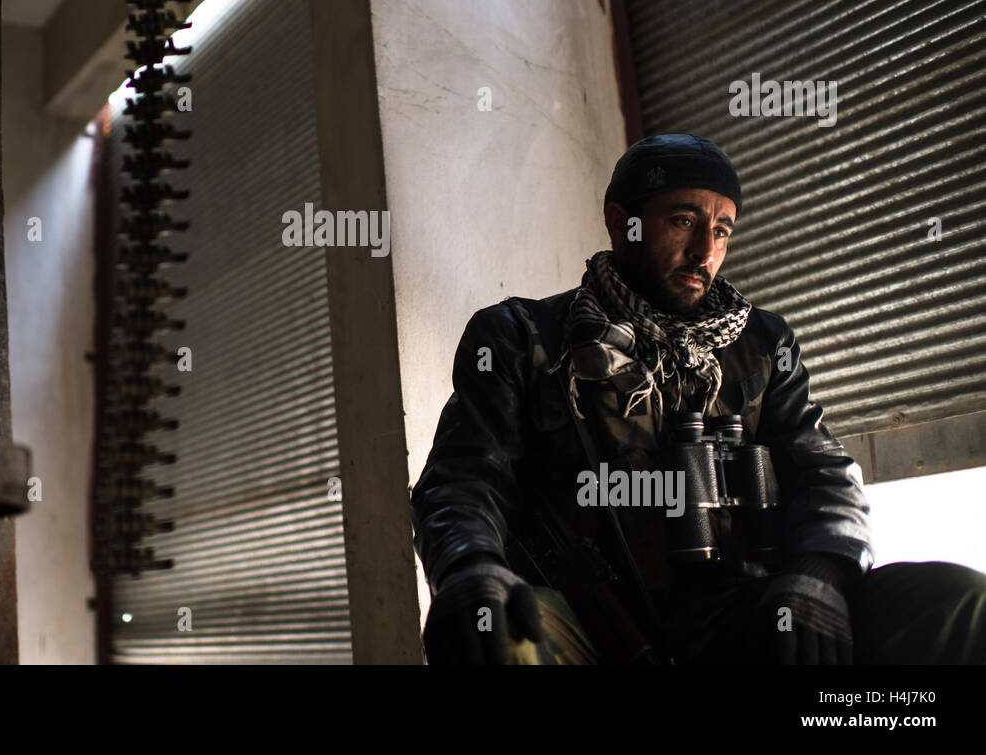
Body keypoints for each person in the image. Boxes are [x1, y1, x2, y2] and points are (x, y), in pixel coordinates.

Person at [411, 133, 986, 665]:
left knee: (952, 601)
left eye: (723, 230)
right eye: (683, 220)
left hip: (744, 610)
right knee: (496, 627)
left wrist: (819, 571)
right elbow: (464, 478)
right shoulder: (521, 336)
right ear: (621, 223)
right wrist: (471, 565)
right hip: (591, 620)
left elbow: (823, 471)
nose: (703, 250)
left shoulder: (761, 343)